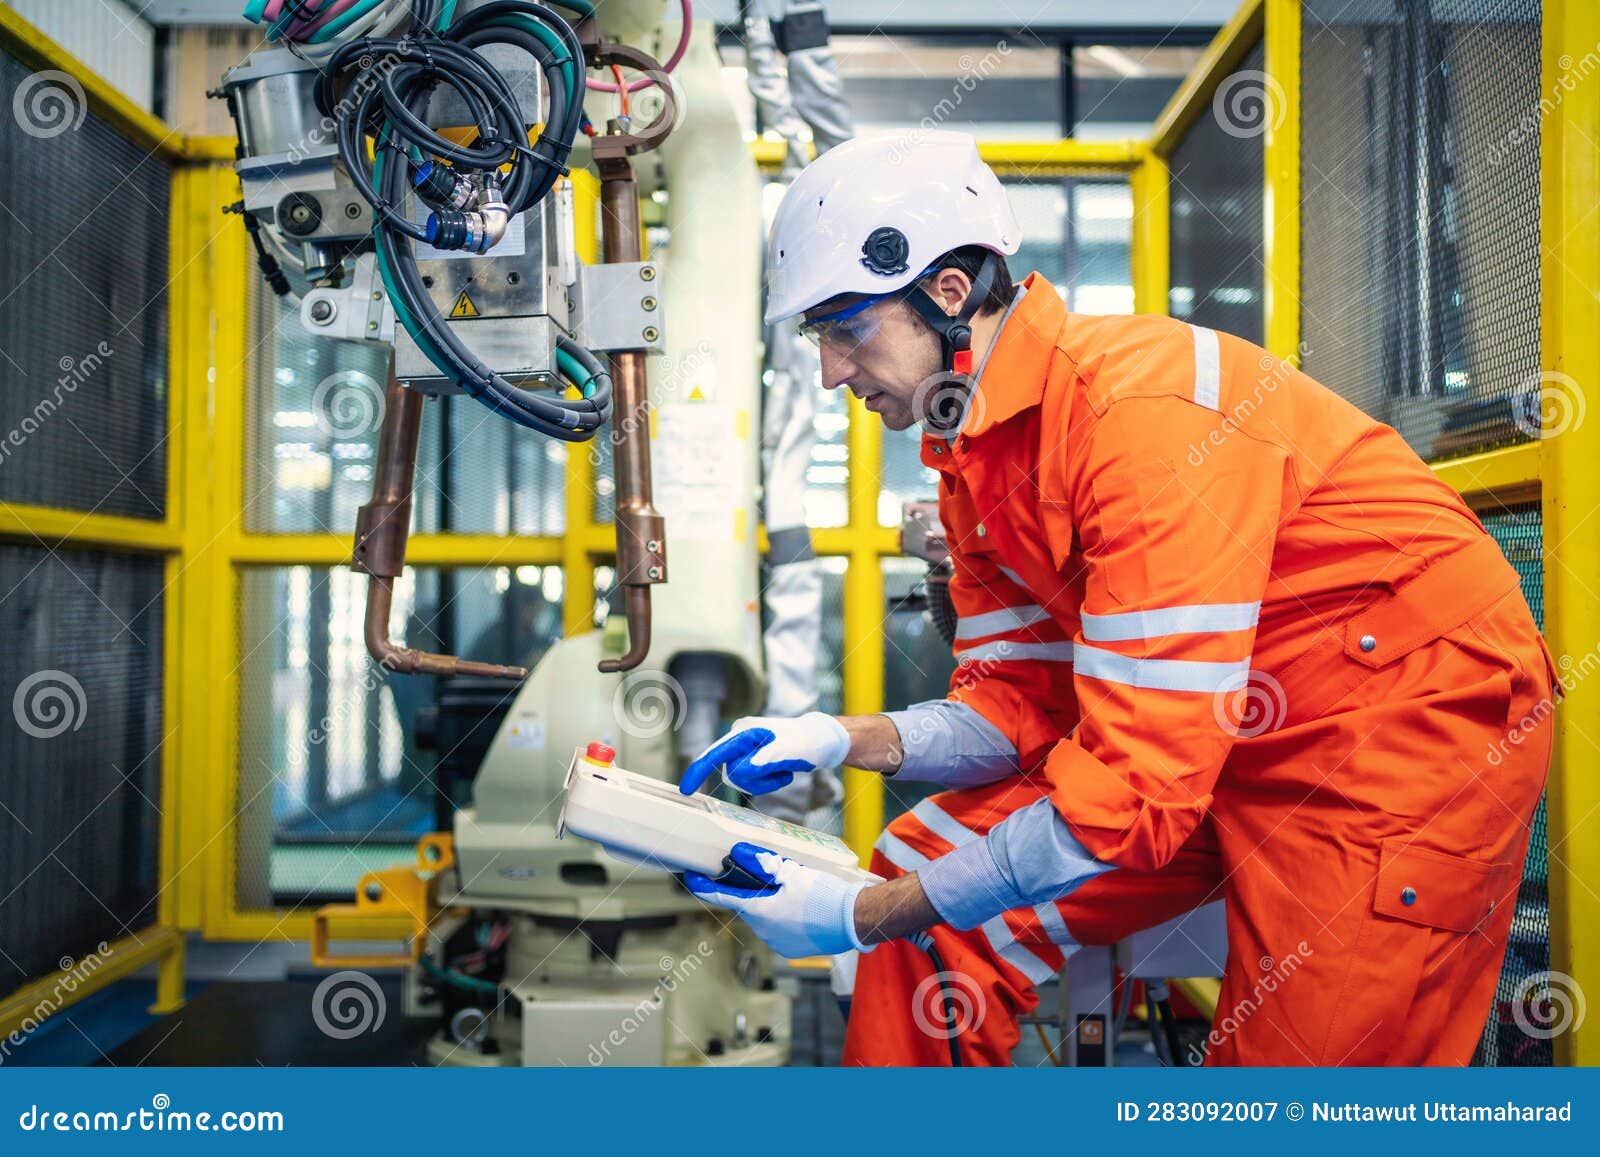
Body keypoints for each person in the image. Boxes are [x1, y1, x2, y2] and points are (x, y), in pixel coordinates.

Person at [680, 130, 1558, 1066]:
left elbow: (1132, 793)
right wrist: (840, 737)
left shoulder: (1134, 419)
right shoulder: (974, 454)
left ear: (946, 295)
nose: (830, 372)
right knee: (920, 889)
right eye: (819, 336)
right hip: (1214, 744)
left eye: (846, 328)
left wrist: (858, 913)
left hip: (1392, 733)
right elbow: (1017, 704)